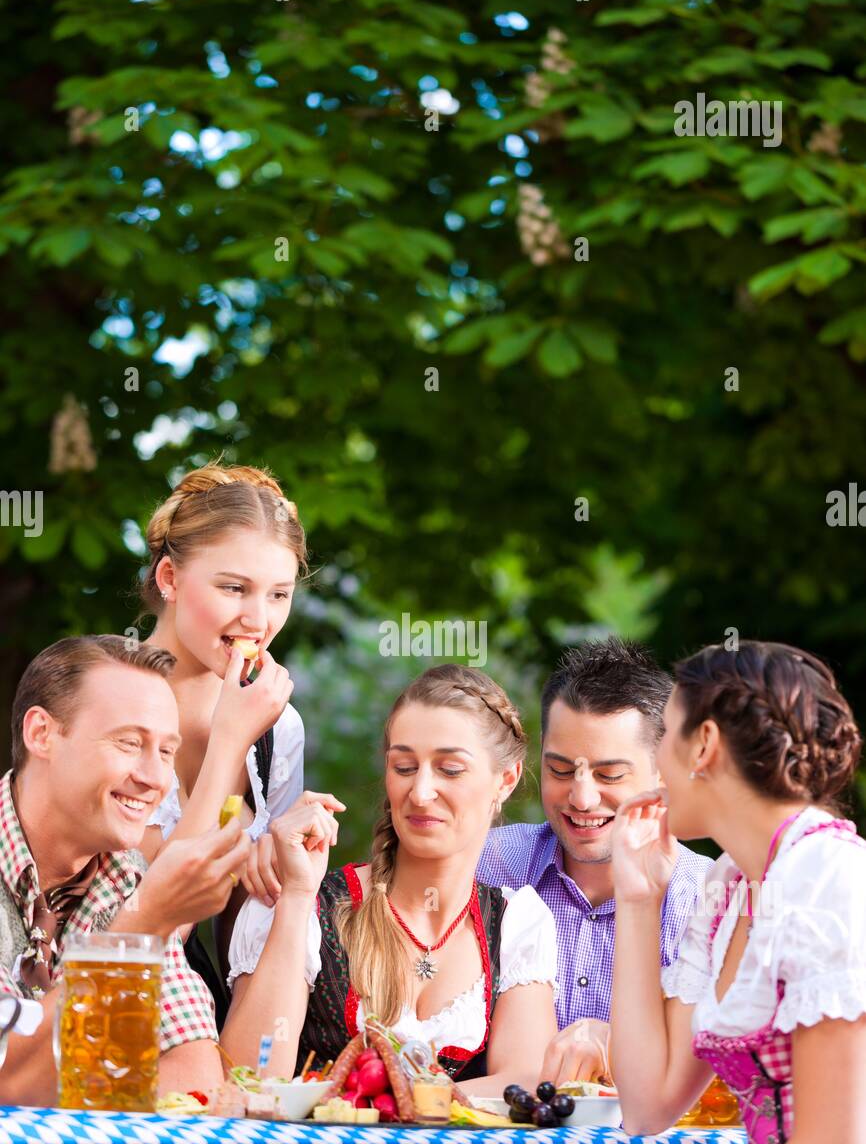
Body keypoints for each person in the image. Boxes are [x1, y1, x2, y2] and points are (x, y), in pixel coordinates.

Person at [498, 641, 866, 1144]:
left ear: (703, 746)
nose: (655, 767)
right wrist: (640, 900)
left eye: (663, 735)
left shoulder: (829, 878)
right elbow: (649, 1107)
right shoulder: (730, 888)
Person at [221, 666, 559, 1096]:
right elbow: (247, 1080)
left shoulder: (517, 923)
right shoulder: (303, 906)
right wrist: (297, 894)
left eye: (450, 769)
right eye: (404, 766)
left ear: (505, 780)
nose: (420, 792)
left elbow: (525, 1084)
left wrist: (398, 1101)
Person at [0, 635, 251, 1107]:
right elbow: (10, 1088)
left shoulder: (126, 877)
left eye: (165, 752)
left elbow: (193, 1079)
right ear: (41, 734)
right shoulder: (145, 903)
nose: (155, 779)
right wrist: (145, 927)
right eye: (129, 743)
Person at [139, 462, 340, 1024]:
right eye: (234, 588)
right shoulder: (106, 698)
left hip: (195, 1005)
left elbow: (240, 935)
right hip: (84, 985)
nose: (259, 619)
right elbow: (155, 910)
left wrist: (276, 859)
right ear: (170, 579)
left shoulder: (278, 727)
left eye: (279, 594)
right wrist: (228, 738)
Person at [478, 638, 712, 1084]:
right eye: (560, 771)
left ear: (664, 768)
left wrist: (624, 1046)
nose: (582, 798)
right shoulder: (488, 866)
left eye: (610, 774)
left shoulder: (705, 899)